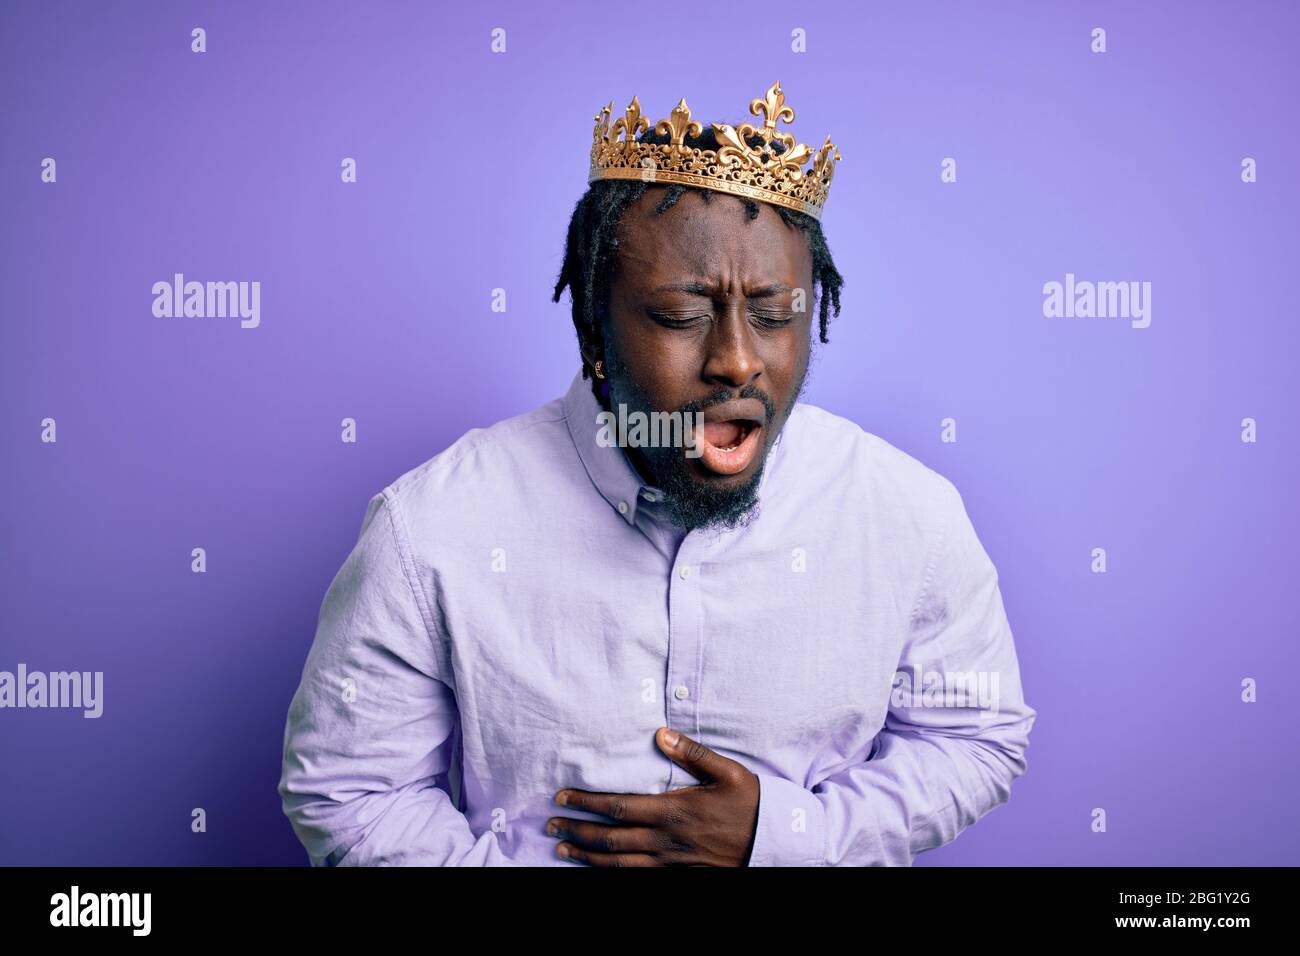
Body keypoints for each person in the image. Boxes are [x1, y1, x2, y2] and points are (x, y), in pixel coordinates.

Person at [278, 81, 1036, 866]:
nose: (736, 361)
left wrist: (785, 837)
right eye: (681, 315)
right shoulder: (431, 527)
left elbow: (975, 738)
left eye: (774, 314)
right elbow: (347, 790)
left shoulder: (909, 515)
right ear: (593, 330)